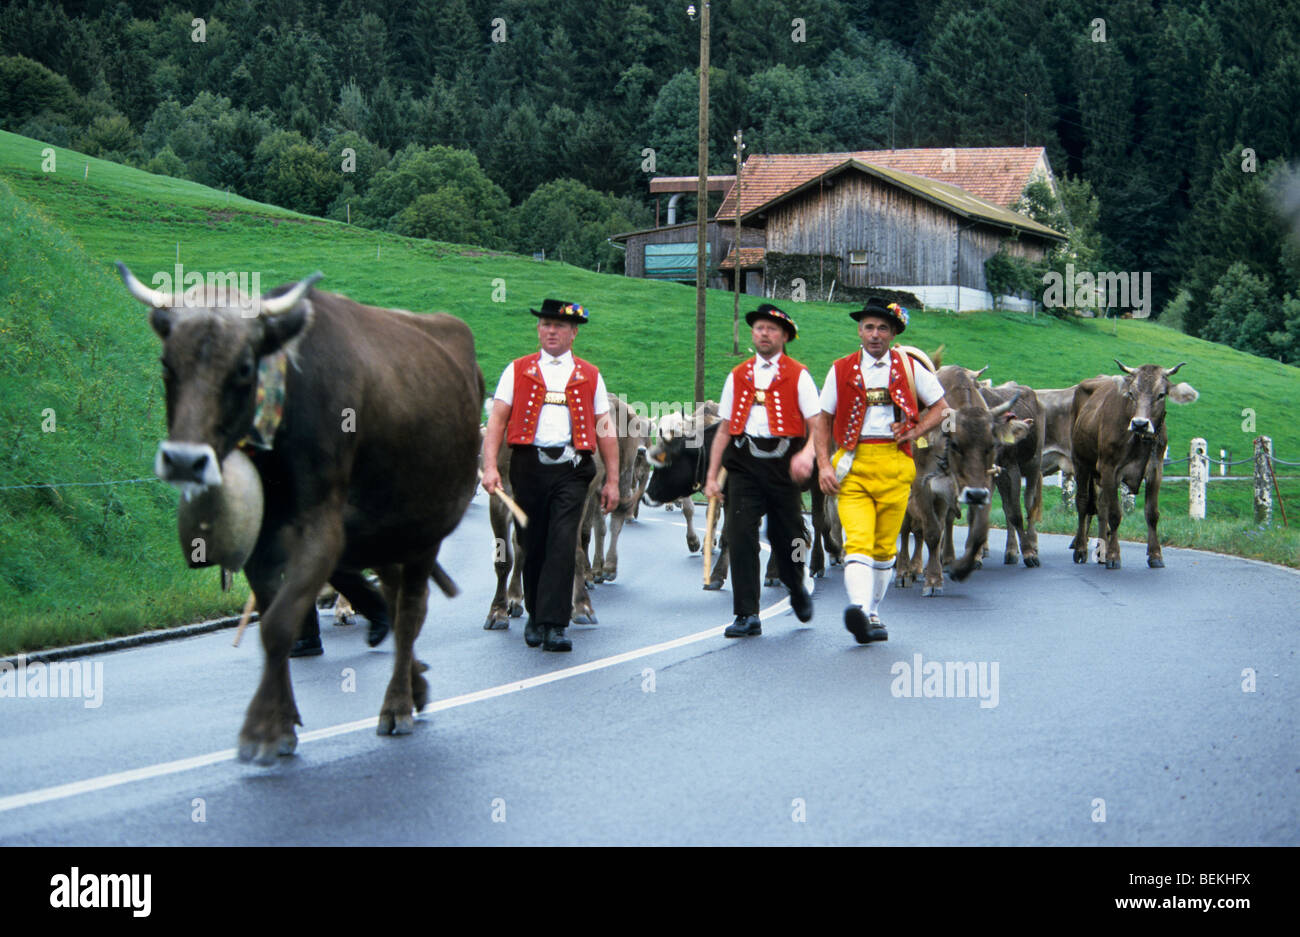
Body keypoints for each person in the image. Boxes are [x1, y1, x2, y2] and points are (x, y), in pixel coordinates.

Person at [481, 299, 620, 652]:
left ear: (574, 333)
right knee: (533, 543)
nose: (551, 331)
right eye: (546, 325)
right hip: (528, 466)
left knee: (562, 542)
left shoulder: (590, 374)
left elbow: (605, 428)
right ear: (538, 330)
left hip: (573, 469)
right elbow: (497, 421)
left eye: (559, 326)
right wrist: (491, 467)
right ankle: (534, 615)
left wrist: (613, 480)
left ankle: (555, 623)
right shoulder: (517, 370)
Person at [813, 298, 949, 644]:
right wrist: (824, 464)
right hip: (853, 463)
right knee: (857, 539)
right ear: (859, 331)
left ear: (892, 333)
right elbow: (822, 419)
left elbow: (941, 407)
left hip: (895, 463)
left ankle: (873, 612)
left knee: (885, 548)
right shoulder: (839, 369)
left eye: (882, 328)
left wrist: (916, 431)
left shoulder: (908, 368)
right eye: (869, 327)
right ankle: (859, 609)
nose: (875, 334)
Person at [703, 303, 819, 637]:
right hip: (744, 463)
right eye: (758, 328)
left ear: (784, 336)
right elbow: (724, 429)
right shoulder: (737, 375)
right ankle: (746, 614)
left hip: (785, 463)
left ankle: (797, 586)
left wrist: (808, 456)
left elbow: (816, 424)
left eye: (771, 329)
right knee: (739, 534)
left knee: (790, 536)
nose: (763, 334)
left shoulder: (799, 374)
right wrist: (712, 475)